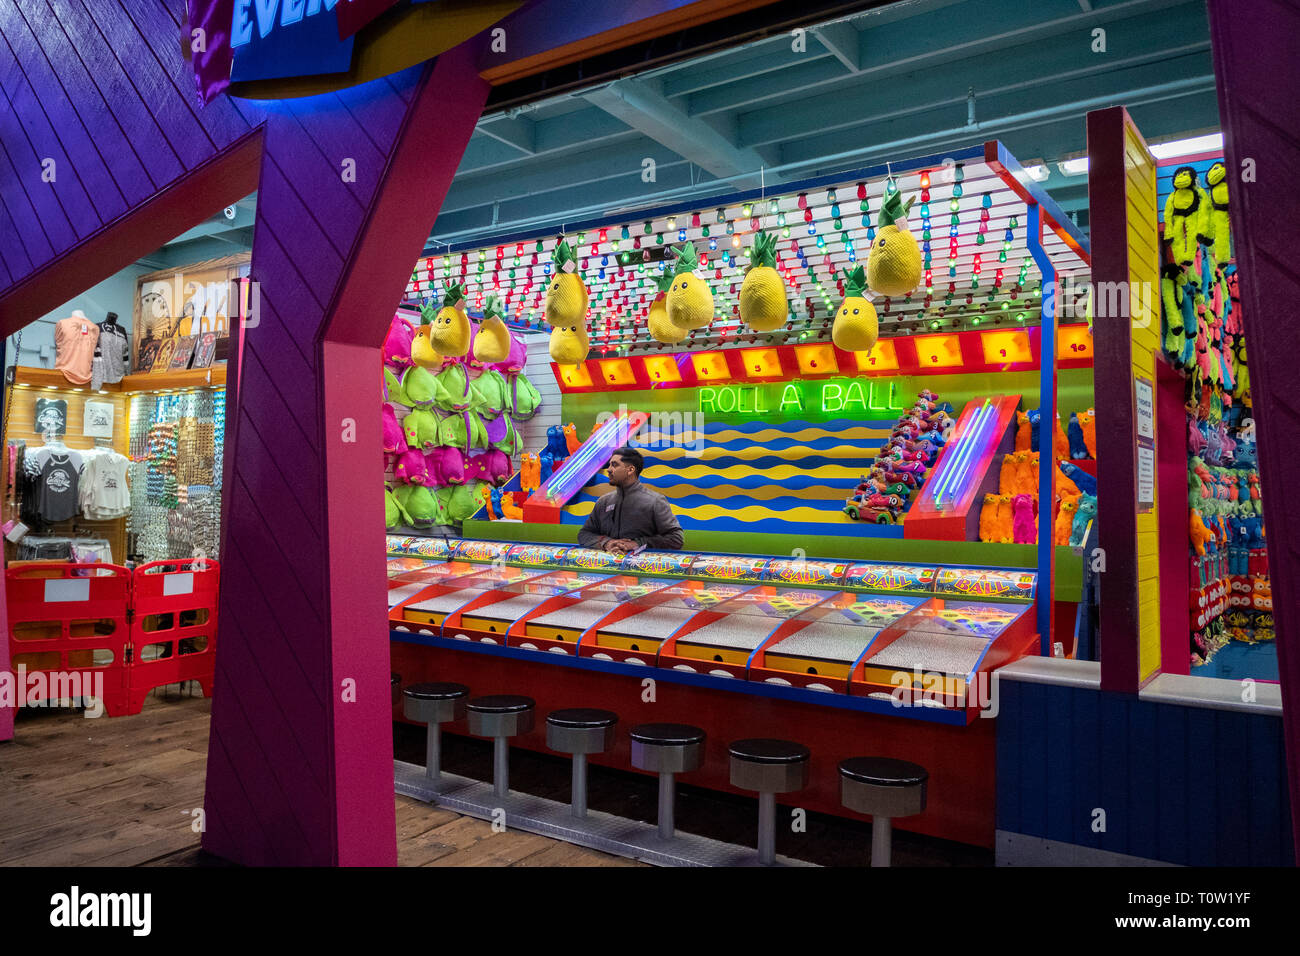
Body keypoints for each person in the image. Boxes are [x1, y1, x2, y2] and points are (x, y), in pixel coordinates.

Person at [577, 446, 683, 553]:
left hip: (642, 567)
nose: (608, 469)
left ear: (631, 470)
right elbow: (584, 534)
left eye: (614, 465)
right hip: (607, 567)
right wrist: (607, 543)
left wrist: (638, 544)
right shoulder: (603, 502)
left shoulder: (655, 501)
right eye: (609, 465)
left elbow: (676, 539)